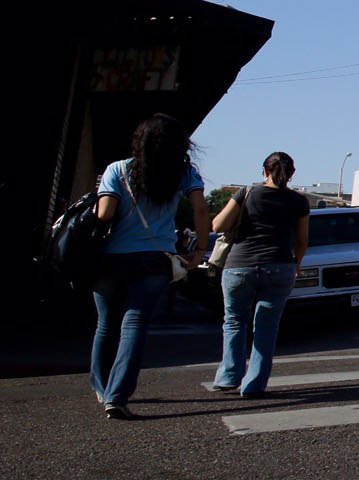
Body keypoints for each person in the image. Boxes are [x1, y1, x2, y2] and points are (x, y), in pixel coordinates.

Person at [92, 114, 209, 419]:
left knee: (106, 325)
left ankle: (101, 387)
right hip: (155, 259)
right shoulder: (184, 172)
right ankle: (117, 397)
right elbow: (200, 208)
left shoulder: (117, 169)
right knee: (135, 324)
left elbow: (105, 214)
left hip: (112, 258)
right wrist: (199, 251)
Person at [210, 151, 310, 397]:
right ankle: (253, 385)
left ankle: (228, 376)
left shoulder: (247, 193)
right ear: (292, 173)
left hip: (240, 266)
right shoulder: (299, 201)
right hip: (280, 266)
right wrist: (296, 266)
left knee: (234, 321)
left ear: (264, 171)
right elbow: (302, 240)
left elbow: (218, 226)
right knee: (266, 327)